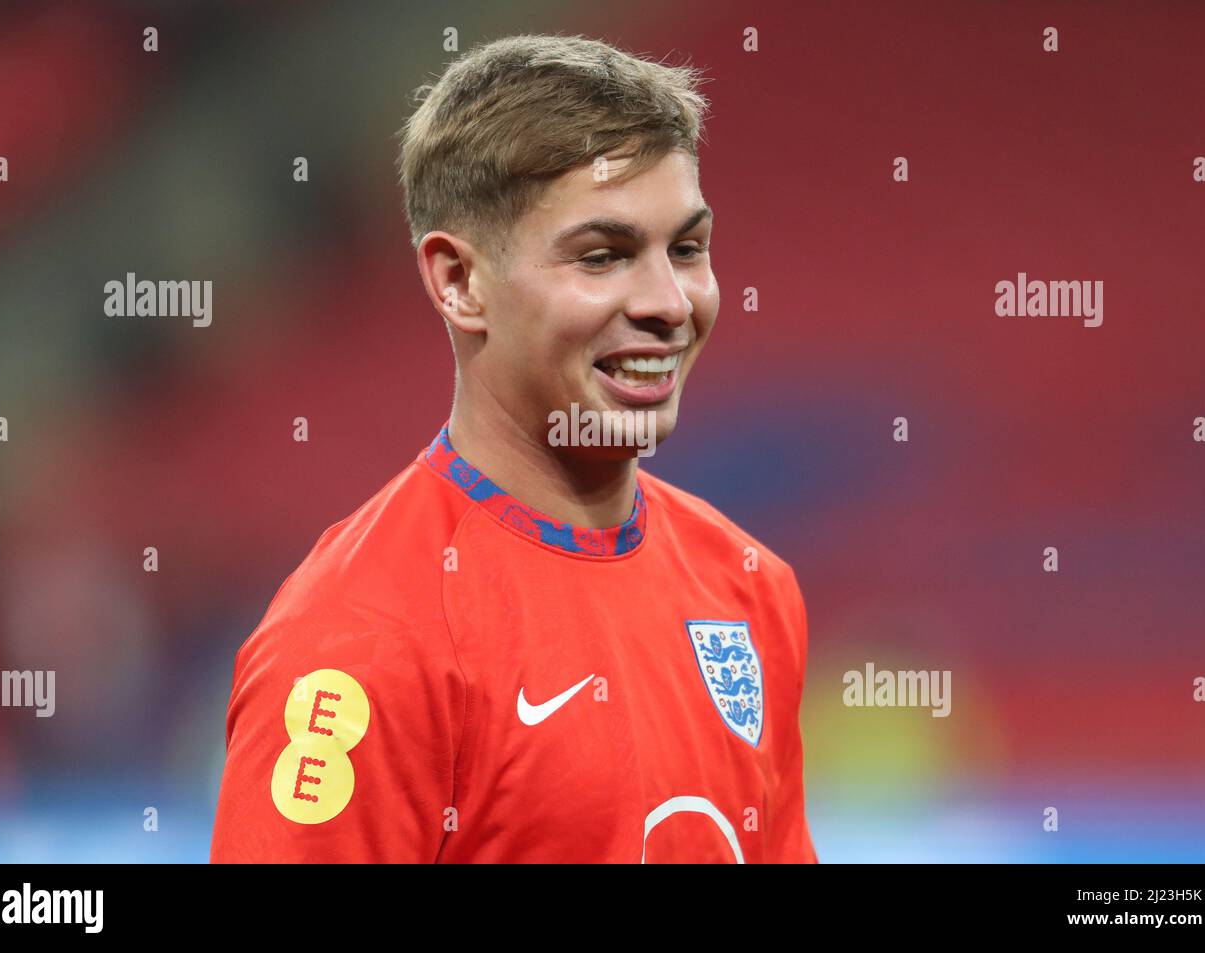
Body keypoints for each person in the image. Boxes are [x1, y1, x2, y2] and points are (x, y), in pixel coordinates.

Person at [210, 32, 818, 863]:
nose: (670, 303)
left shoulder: (749, 588)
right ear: (458, 282)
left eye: (686, 248)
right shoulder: (357, 644)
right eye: (602, 257)